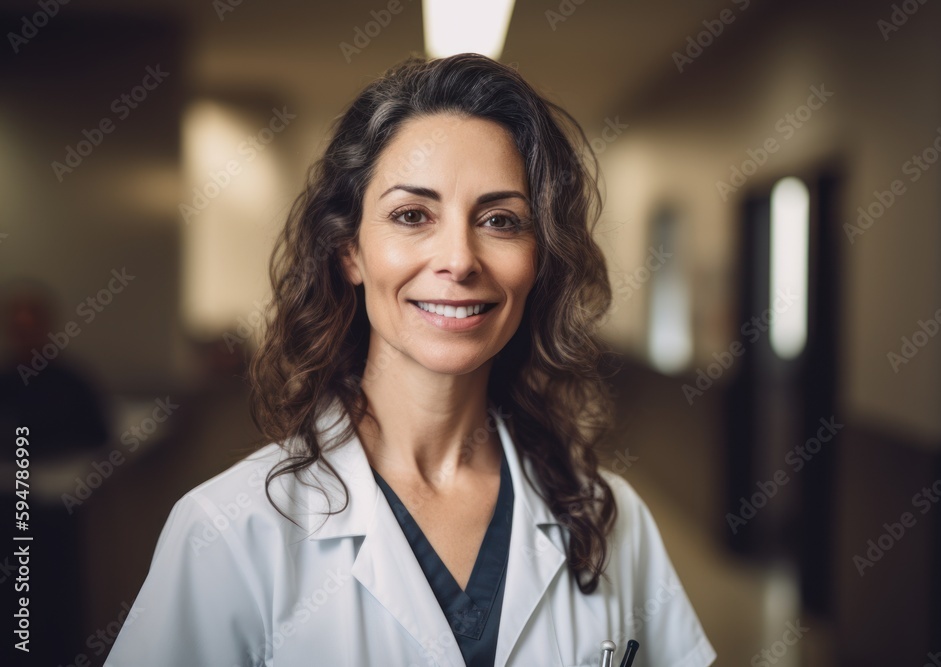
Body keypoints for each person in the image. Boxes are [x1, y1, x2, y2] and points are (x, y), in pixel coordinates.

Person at [106, 53, 716, 666]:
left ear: (540, 260)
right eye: (411, 215)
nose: (459, 259)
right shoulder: (230, 532)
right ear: (350, 251)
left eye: (501, 220)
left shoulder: (606, 519)